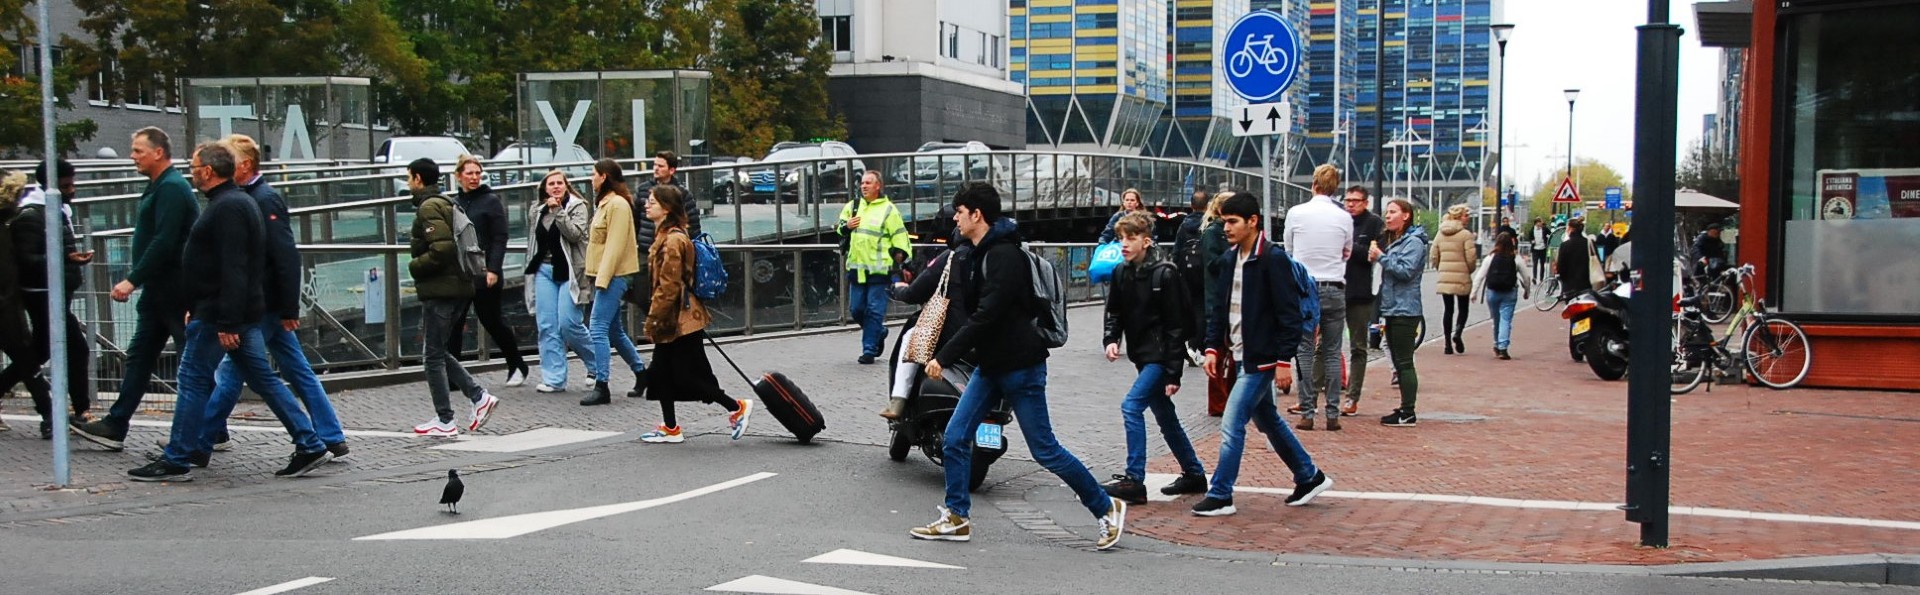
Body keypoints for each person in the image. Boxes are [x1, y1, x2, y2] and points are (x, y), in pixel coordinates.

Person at [910, 182, 1126, 550]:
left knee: (1045, 449)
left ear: (977, 215)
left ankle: (1106, 507)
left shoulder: (1004, 257)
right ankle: (957, 516)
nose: (955, 219)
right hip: (991, 366)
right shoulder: (976, 253)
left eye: (959, 213)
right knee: (956, 438)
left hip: (1021, 368)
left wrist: (943, 357)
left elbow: (986, 316)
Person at [126, 143, 333, 481]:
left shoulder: (228, 207)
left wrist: (226, 320)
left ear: (208, 171)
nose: (192, 173)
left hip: (219, 314)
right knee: (262, 378)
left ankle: (178, 456)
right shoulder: (236, 203)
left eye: (194, 167)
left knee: (193, 378)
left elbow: (234, 267)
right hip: (231, 312)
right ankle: (309, 442)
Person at [198, 135, 348, 458]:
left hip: (263, 303)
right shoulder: (253, 198)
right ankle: (330, 434)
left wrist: (288, 306)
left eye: (230, 159)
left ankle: (199, 438)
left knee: (233, 371)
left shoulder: (262, 200)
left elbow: (285, 255)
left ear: (245, 165)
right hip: (268, 301)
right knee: (295, 368)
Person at [1192, 191, 1332, 517]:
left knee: (1232, 423)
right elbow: (1220, 309)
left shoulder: (1272, 259)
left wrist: (1283, 361)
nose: (1226, 228)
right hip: (1241, 354)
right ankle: (1309, 475)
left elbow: (1289, 315)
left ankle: (1221, 493)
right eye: (1224, 221)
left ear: (1253, 221)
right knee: (1267, 419)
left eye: (1232, 222)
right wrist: (1212, 347)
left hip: (1261, 359)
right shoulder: (1229, 259)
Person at [74, 128, 200, 452]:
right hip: (159, 290)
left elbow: (165, 240)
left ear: (158, 152)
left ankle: (208, 429)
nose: (132, 156)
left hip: (175, 289)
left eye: (138, 151)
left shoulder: (171, 188)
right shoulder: (160, 186)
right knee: (141, 357)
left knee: (189, 361)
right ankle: (116, 424)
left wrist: (132, 279)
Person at [1099, 212, 1208, 504]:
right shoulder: (1121, 272)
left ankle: (1135, 479)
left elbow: (1176, 326)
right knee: (1164, 415)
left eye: (1131, 238)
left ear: (1146, 242)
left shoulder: (1166, 274)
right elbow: (1115, 311)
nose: (1124, 243)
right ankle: (1194, 473)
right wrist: (1111, 339)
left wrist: (1173, 372)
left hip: (1159, 356)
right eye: (1121, 238)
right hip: (1143, 355)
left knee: (1131, 406)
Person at [636, 184, 752, 444]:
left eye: (652, 202)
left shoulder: (673, 240)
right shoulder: (666, 235)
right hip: (677, 317)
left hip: (680, 319)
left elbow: (668, 287)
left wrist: (653, 320)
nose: (646, 205)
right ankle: (671, 427)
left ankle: (736, 407)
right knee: (662, 373)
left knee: (689, 376)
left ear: (667, 208)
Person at [407, 157, 501, 436]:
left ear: (418, 179)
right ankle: (476, 398)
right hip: (458, 286)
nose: (408, 183)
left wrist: (415, 266)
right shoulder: (447, 202)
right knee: (438, 350)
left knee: (432, 356)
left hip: (442, 289)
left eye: (410, 177)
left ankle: (448, 418)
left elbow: (442, 248)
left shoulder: (429, 207)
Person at [2, 160, 95, 438]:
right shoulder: (32, 217)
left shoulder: (55, 211)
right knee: (74, 348)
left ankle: (61, 413)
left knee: (36, 353)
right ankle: (76, 412)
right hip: (41, 296)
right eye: (66, 185)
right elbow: (26, 260)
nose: (72, 190)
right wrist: (65, 258)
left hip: (46, 295)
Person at [1283, 165, 1353, 431]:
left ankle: (1307, 412)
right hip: (1334, 287)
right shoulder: (1344, 217)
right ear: (1335, 188)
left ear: (1313, 184)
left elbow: (1289, 250)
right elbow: (1346, 251)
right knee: (1332, 352)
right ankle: (1332, 413)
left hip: (1304, 288)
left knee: (1304, 350)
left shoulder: (1296, 213)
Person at [448, 156, 529, 386]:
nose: (474, 177)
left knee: (492, 321)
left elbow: (499, 237)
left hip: (484, 270)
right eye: (469, 173)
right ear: (459, 176)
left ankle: (517, 364)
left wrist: (493, 268)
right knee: (455, 323)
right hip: (462, 273)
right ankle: (454, 376)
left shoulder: (491, 201)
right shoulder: (455, 203)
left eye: (477, 173)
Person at [882, 206, 966, 420]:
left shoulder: (950, 257)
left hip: (955, 332)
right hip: (987, 337)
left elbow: (916, 291)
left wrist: (900, 290)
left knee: (912, 338)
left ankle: (898, 401)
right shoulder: (996, 257)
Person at [524, 170, 597, 394]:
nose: (555, 187)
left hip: (570, 271)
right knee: (547, 325)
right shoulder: (537, 210)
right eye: (551, 184)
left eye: (559, 183)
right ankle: (554, 379)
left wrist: (558, 211)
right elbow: (534, 241)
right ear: (544, 189)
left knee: (569, 323)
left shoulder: (577, 207)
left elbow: (575, 235)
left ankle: (596, 365)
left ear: (566, 186)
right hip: (544, 270)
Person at [583, 159, 648, 406]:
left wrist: (602, 278)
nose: (591, 178)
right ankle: (641, 372)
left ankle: (602, 385)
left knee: (597, 327)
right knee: (613, 330)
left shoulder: (617, 205)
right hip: (606, 274)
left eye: (594, 174)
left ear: (604, 177)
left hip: (613, 275)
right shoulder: (606, 203)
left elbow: (615, 245)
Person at [836, 170, 911, 365]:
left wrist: (901, 255)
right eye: (862, 183)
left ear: (878, 186)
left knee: (874, 311)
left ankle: (868, 351)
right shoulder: (853, 206)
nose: (864, 186)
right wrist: (846, 227)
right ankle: (879, 331)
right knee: (856, 309)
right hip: (856, 270)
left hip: (880, 271)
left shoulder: (888, 209)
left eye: (868, 183)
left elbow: (900, 235)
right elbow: (839, 229)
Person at [1377, 198, 1429, 427]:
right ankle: (1405, 407)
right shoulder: (1396, 240)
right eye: (1387, 212)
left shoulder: (1414, 242)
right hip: (1393, 306)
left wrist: (1381, 257)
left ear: (1406, 215)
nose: (1387, 216)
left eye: (1392, 212)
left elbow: (1406, 271)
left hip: (1405, 309)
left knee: (1405, 361)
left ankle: (1408, 411)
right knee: (1398, 360)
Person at [1339, 185, 1384, 416]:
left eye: (1355, 200)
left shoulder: (1374, 223)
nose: (1350, 204)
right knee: (1323, 345)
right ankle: (1313, 395)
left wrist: (1349, 247)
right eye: (1347, 200)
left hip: (1360, 292)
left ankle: (1352, 397)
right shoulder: (1339, 219)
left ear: (1365, 202)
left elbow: (1372, 255)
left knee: (1358, 346)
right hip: (1335, 288)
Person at [1198, 191, 1234, 416]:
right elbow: (1212, 264)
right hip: (1217, 298)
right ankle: (1218, 403)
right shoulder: (1213, 233)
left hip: (1229, 296)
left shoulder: (1222, 232)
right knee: (1218, 352)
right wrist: (1234, 254)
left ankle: (1229, 398)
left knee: (1232, 352)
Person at [1472, 232, 1534, 360]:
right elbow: (1526, 277)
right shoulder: (1516, 258)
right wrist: (1527, 290)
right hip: (1509, 292)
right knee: (1506, 320)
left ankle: (1496, 343)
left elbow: (1480, 276)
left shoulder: (1490, 258)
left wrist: (1474, 293)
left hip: (1492, 292)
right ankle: (1503, 347)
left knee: (1496, 320)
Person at [1431, 204, 1477, 355]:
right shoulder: (1465, 235)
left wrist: (1441, 268)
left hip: (1445, 275)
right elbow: (1471, 257)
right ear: (1459, 217)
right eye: (1466, 215)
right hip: (1462, 275)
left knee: (1448, 310)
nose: (1468, 218)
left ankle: (1447, 344)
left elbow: (1433, 255)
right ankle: (1457, 332)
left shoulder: (1440, 233)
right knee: (1463, 308)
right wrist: (1469, 270)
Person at [1172, 189, 1209, 362]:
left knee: (1189, 307)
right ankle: (1196, 345)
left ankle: (1190, 344)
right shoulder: (1208, 224)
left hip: (1186, 272)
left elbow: (1176, 251)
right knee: (1202, 308)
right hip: (1204, 272)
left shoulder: (1183, 225)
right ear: (1207, 206)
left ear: (1191, 205)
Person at [1553, 218, 1595, 297]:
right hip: (1587, 284)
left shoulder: (1564, 245)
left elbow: (1561, 267)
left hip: (1569, 287)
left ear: (1570, 228)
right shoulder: (1589, 243)